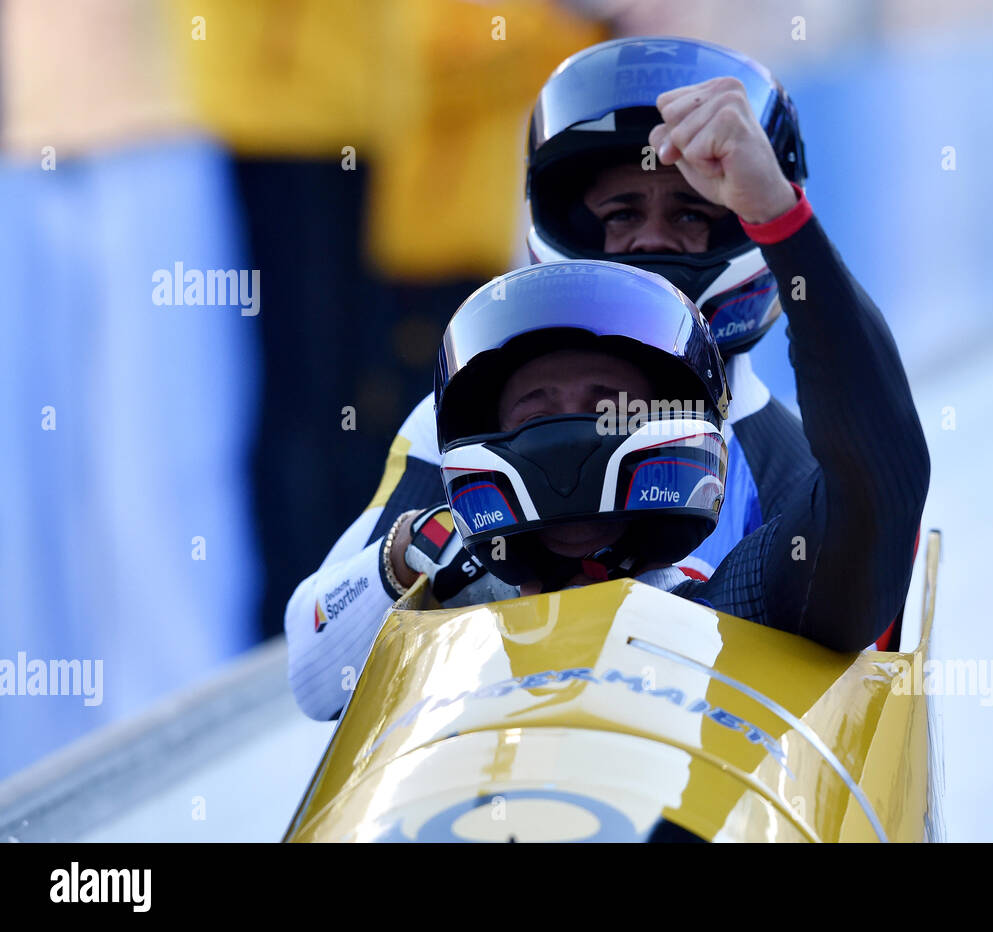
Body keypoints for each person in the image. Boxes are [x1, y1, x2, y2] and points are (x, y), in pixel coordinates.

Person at [285, 37, 929, 720]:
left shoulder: (789, 471)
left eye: (689, 214)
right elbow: (317, 669)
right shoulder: (457, 428)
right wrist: (432, 548)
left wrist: (781, 216)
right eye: (622, 214)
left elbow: (879, 488)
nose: (650, 243)